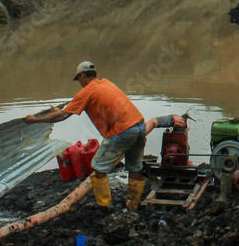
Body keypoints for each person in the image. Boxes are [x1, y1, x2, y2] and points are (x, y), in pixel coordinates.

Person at [24, 61, 147, 209]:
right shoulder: (106, 83)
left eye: (79, 79)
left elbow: (62, 117)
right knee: (134, 167)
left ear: (82, 75)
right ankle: (133, 205)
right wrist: (62, 110)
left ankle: (105, 206)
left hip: (122, 131)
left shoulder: (87, 91)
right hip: (140, 125)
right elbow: (84, 105)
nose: (80, 83)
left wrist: (35, 120)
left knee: (99, 168)